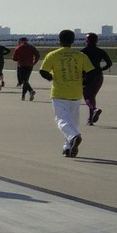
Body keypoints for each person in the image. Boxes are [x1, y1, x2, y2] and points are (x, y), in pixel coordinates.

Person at [39, 29, 92, 158]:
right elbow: (90, 72)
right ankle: (68, 147)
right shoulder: (80, 55)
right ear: (73, 41)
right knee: (72, 122)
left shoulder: (53, 55)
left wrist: (51, 78)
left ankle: (74, 137)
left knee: (62, 120)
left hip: (59, 93)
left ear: (59, 40)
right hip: (75, 92)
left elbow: (43, 71)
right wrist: (84, 81)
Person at [80, 33, 113, 125]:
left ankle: (94, 110)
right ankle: (90, 119)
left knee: (87, 96)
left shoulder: (83, 52)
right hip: (98, 75)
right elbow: (109, 63)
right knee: (92, 96)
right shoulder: (101, 51)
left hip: (88, 75)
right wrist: (102, 69)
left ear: (87, 41)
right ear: (97, 41)